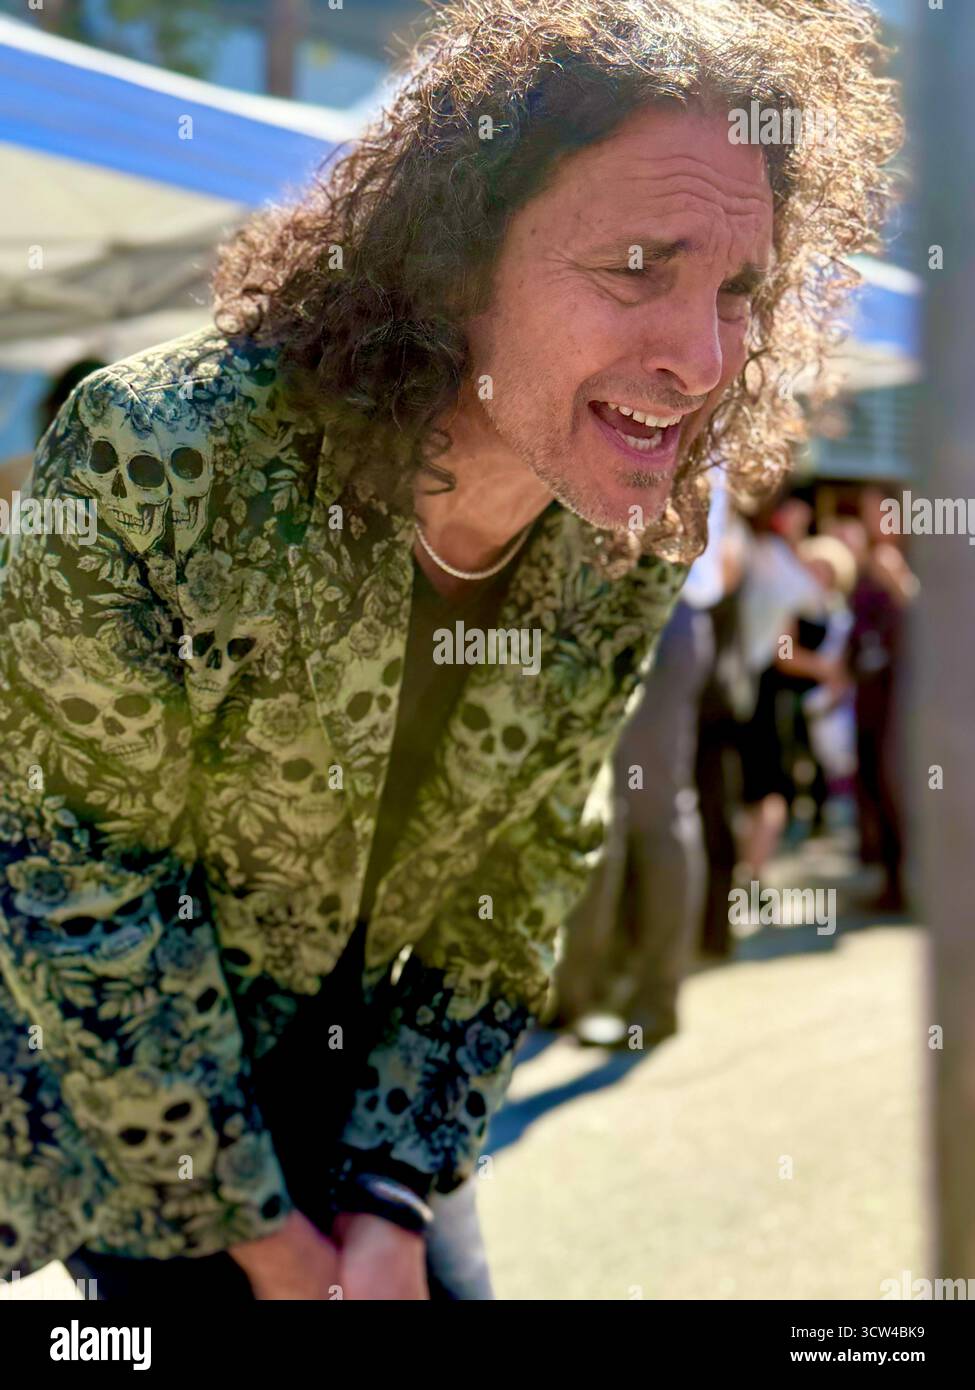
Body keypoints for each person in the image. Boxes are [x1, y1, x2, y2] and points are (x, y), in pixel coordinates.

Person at [0, 0, 899, 1300]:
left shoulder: (630, 536)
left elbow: (523, 874)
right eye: (638, 263)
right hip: (144, 1112)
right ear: (458, 254)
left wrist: (391, 1196)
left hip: (379, 1101)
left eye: (739, 291)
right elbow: (83, 894)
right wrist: (273, 1243)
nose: (704, 359)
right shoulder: (166, 454)